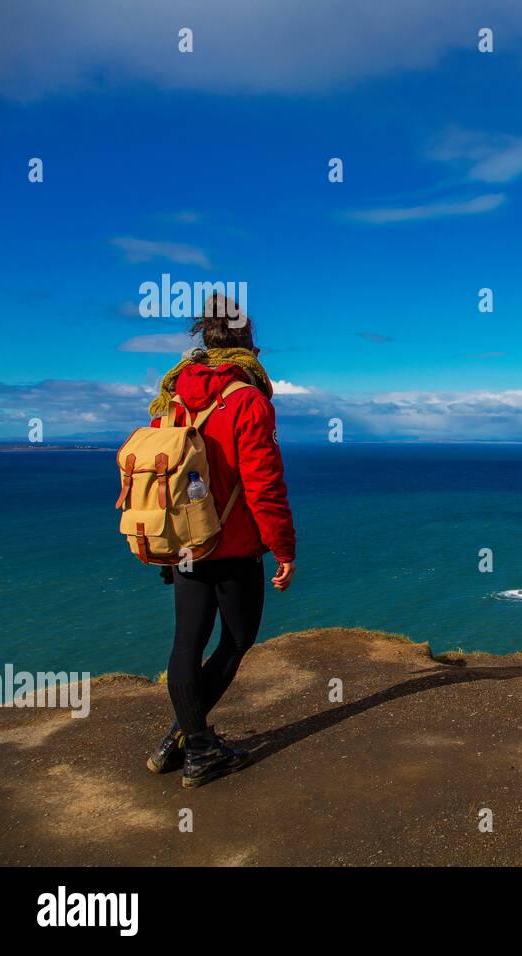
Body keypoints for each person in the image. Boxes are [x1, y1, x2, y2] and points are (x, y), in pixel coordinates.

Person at [143, 295, 296, 788]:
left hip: (183, 540)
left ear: (205, 340)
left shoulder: (173, 396)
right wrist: (285, 550)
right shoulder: (248, 399)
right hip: (231, 546)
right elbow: (264, 484)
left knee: (186, 641)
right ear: (247, 343)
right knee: (236, 638)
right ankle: (198, 746)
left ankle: (187, 737)